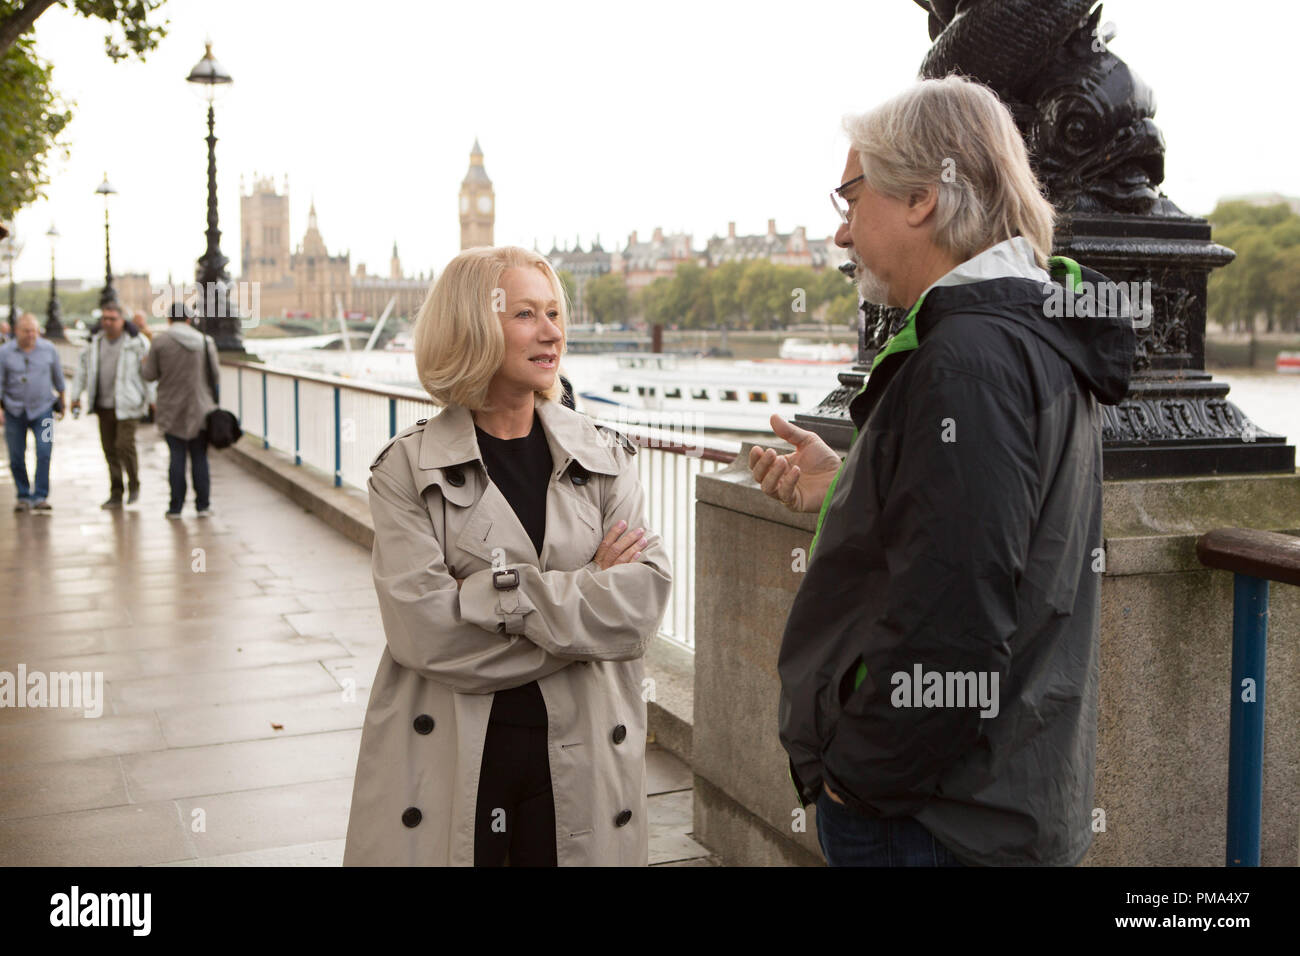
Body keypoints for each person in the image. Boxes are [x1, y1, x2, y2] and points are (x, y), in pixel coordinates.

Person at [749, 76, 1136, 866]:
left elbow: (954, 622)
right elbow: (994, 537)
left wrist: (854, 780)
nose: (841, 235)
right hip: (1001, 804)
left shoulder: (967, 360)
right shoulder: (1033, 336)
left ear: (923, 196)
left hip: (935, 824)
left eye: (851, 198)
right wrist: (858, 481)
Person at [343, 246, 672, 866]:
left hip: (582, 754)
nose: (552, 332)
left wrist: (484, 598)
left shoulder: (606, 456)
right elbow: (428, 635)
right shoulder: (406, 471)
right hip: (462, 755)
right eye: (526, 314)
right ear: (472, 326)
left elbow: (641, 603)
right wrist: (586, 587)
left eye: (553, 312)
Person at [70, 295, 155, 508]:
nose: (107, 322)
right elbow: (81, 371)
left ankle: (134, 484)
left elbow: (149, 373)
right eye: (104, 318)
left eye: (112, 319)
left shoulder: (137, 342)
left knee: (124, 445)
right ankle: (116, 492)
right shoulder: (93, 342)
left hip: (128, 403)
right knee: (109, 449)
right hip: (103, 404)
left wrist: (152, 400)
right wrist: (75, 397)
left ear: (122, 320)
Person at [140, 302, 219, 519]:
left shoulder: (160, 341)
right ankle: (203, 505)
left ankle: (175, 507)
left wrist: (143, 361)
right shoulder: (205, 341)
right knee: (199, 457)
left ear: (168, 320)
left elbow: (149, 375)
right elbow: (216, 376)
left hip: (170, 407)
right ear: (188, 319)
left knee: (176, 457)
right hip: (200, 407)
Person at [0, 312, 66, 513]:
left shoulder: (49, 349)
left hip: (43, 411)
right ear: (16, 331)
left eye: (34, 331)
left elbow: (59, 378)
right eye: (26, 331)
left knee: (45, 452)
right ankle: (23, 495)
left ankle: (40, 495)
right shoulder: (4, 352)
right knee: (16, 456)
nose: (31, 335)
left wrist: (62, 402)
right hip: (14, 411)